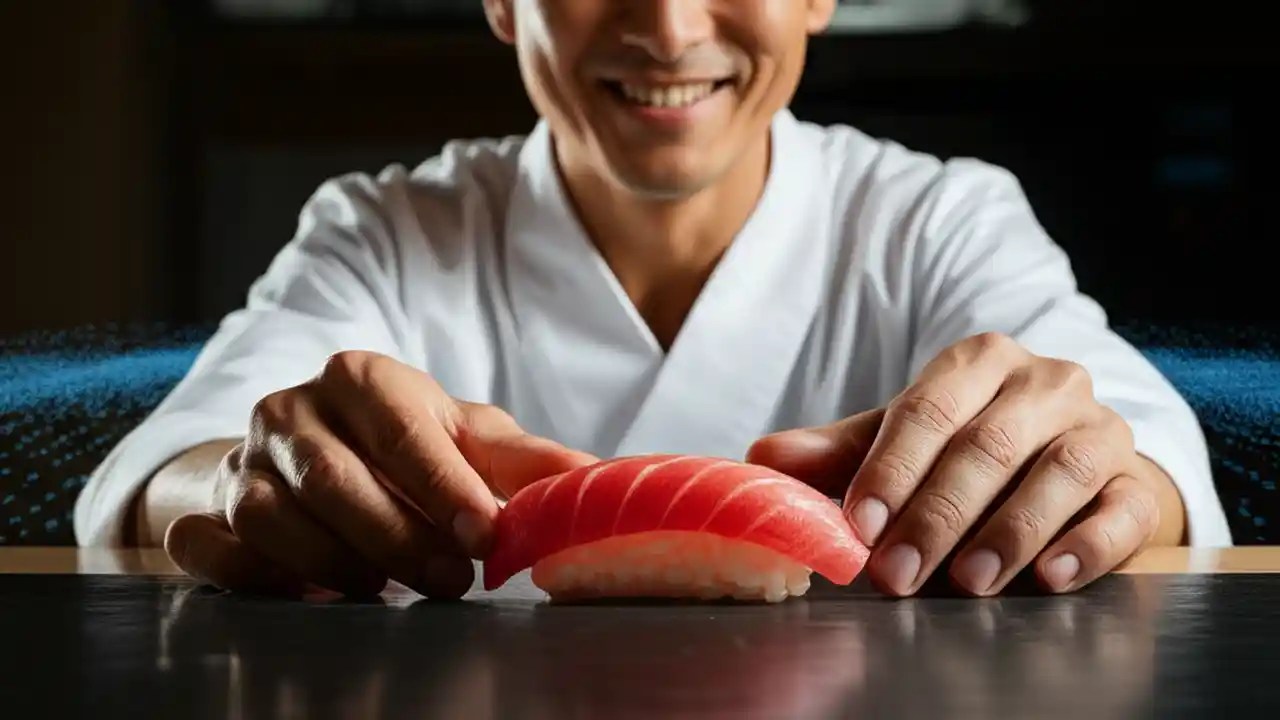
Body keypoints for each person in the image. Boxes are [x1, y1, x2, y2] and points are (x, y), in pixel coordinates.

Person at [74, 0, 1232, 600]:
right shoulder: (385, 230)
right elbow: (168, 466)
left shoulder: (937, 217)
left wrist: (1096, 469)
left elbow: (1141, 454)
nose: (670, 27)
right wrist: (255, 475)